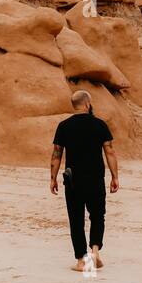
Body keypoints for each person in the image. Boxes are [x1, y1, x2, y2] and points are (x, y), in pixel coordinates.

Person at [50, 90, 119, 272]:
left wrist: (52, 179)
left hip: (73, 181)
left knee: (76, 219)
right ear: (88, 104)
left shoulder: (64, 126)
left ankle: (82, 261)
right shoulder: (99, 125)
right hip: (95, 178)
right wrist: (115, 176)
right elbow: (109, 151)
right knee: (97, 215)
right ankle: (94, 251)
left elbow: (56, 155)